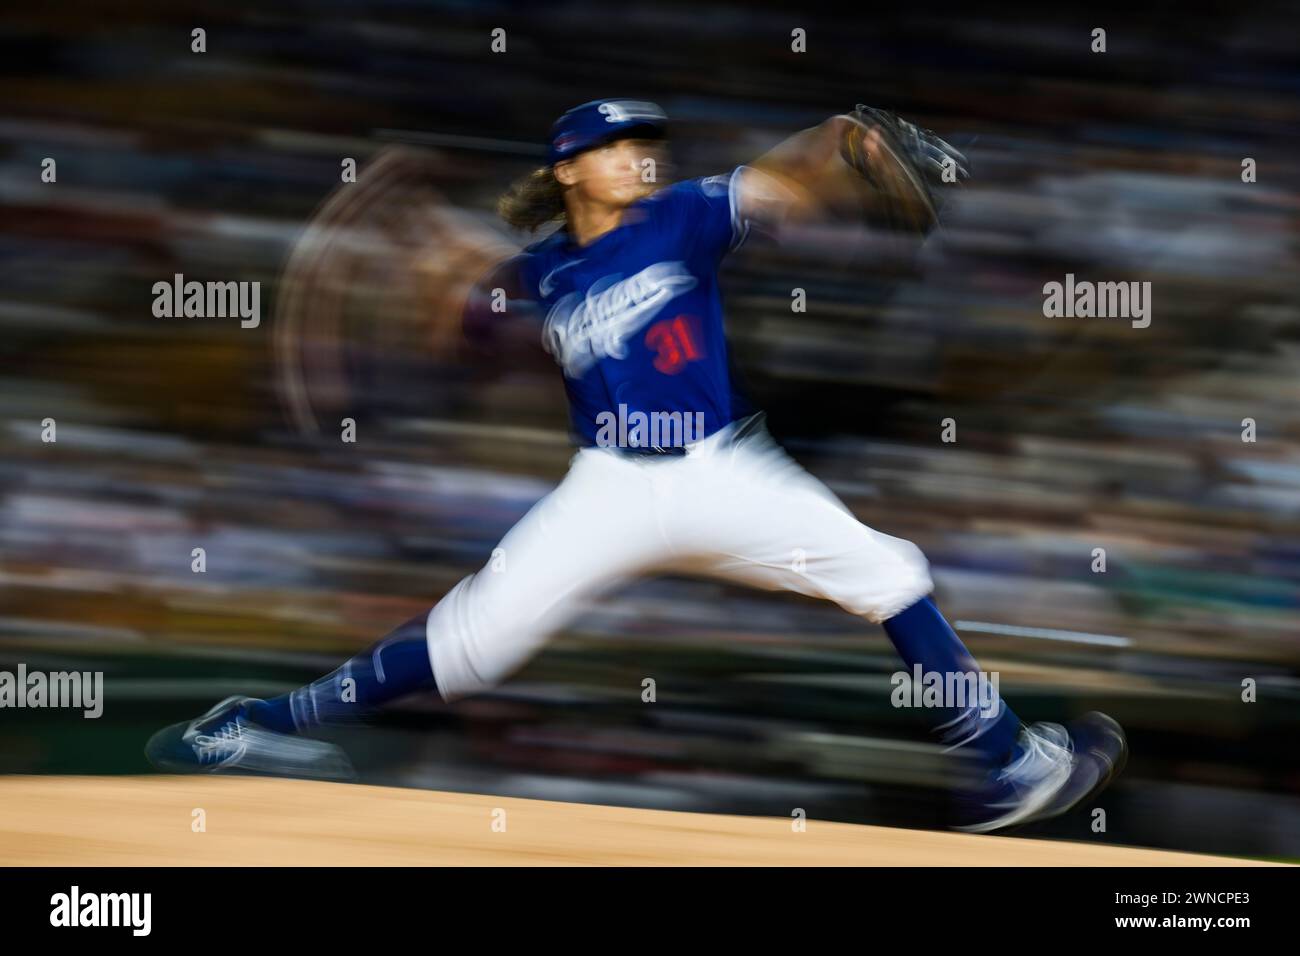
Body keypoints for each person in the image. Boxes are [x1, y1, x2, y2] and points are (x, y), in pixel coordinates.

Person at [147, 99, 1126, 833]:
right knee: (474, 643)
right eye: (617, 147)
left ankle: (1006, 765)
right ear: (569, 169)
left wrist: (846, 138)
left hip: (719, 472)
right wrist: (405, 239)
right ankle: (261, 723)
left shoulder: (687, 215)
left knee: (892, 572)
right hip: (608, 486)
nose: (637, 157)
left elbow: (781, 176)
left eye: (641, 144)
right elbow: (463, 311)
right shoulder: (542, 271)